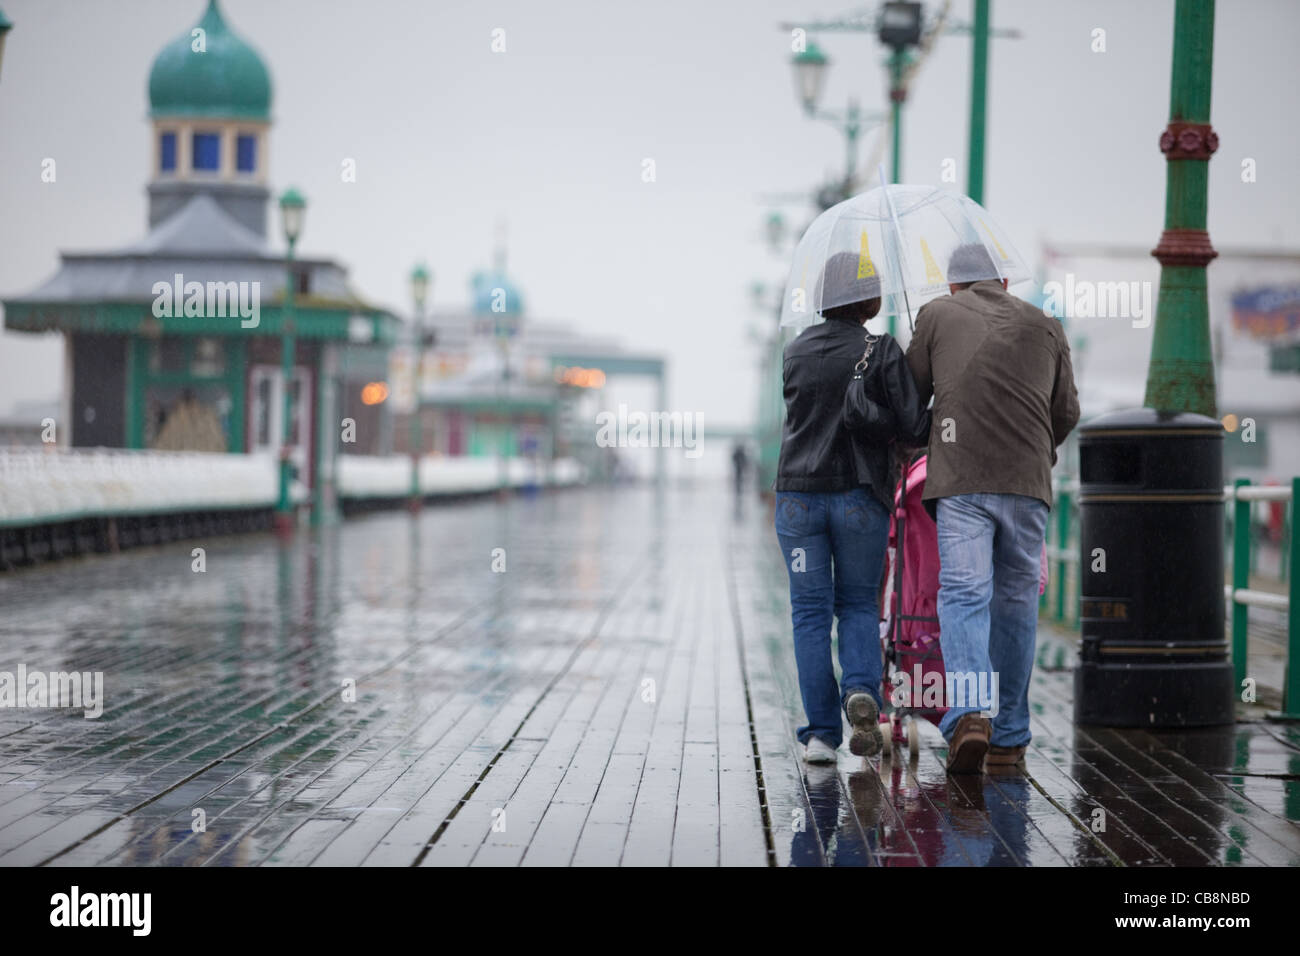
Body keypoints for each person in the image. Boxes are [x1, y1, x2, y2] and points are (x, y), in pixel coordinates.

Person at [905, 243, 1080, 773]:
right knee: (1017, 602)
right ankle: (1009, 739)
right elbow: (1066, 411)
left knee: (964, 595)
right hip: (1028, 483)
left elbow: (910, 398)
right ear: (1004, 283)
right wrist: (1033, 450)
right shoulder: (1046, 325)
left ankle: (970, 714)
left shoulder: (935, 314)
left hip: (961, 481)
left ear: (953, 286)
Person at [774, 252, 929, 764]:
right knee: (859, 604)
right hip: (859, 498)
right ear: (869, 297)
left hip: (798, 498)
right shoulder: (880, 349)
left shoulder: (796, 350)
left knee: (809, 613)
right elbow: (912, 428)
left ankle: (820, 735)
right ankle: (861, 692)